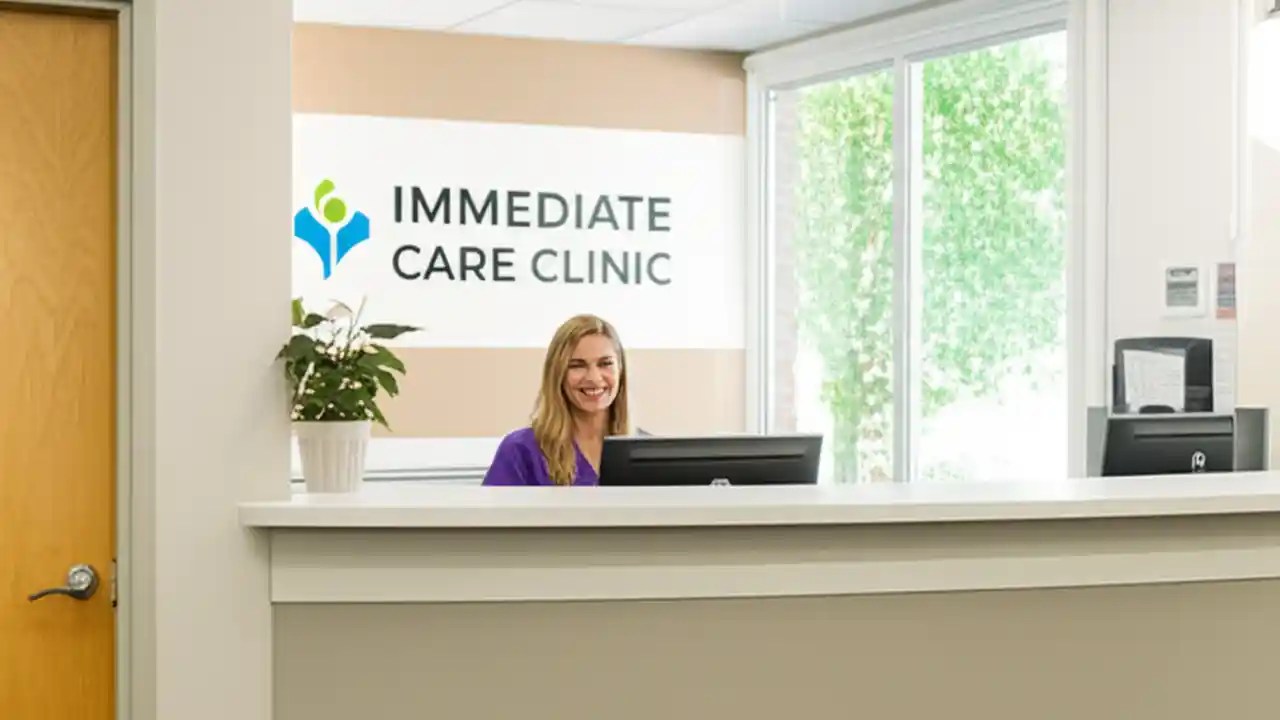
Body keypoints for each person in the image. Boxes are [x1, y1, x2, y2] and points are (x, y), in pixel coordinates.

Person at [482, 314, 631, 486]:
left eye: (605, 364)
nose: (594, 377)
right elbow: (493, 513)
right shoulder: (520, 451)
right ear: (558, 374)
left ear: (620, 370)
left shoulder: (646, 451)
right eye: (577, 365)